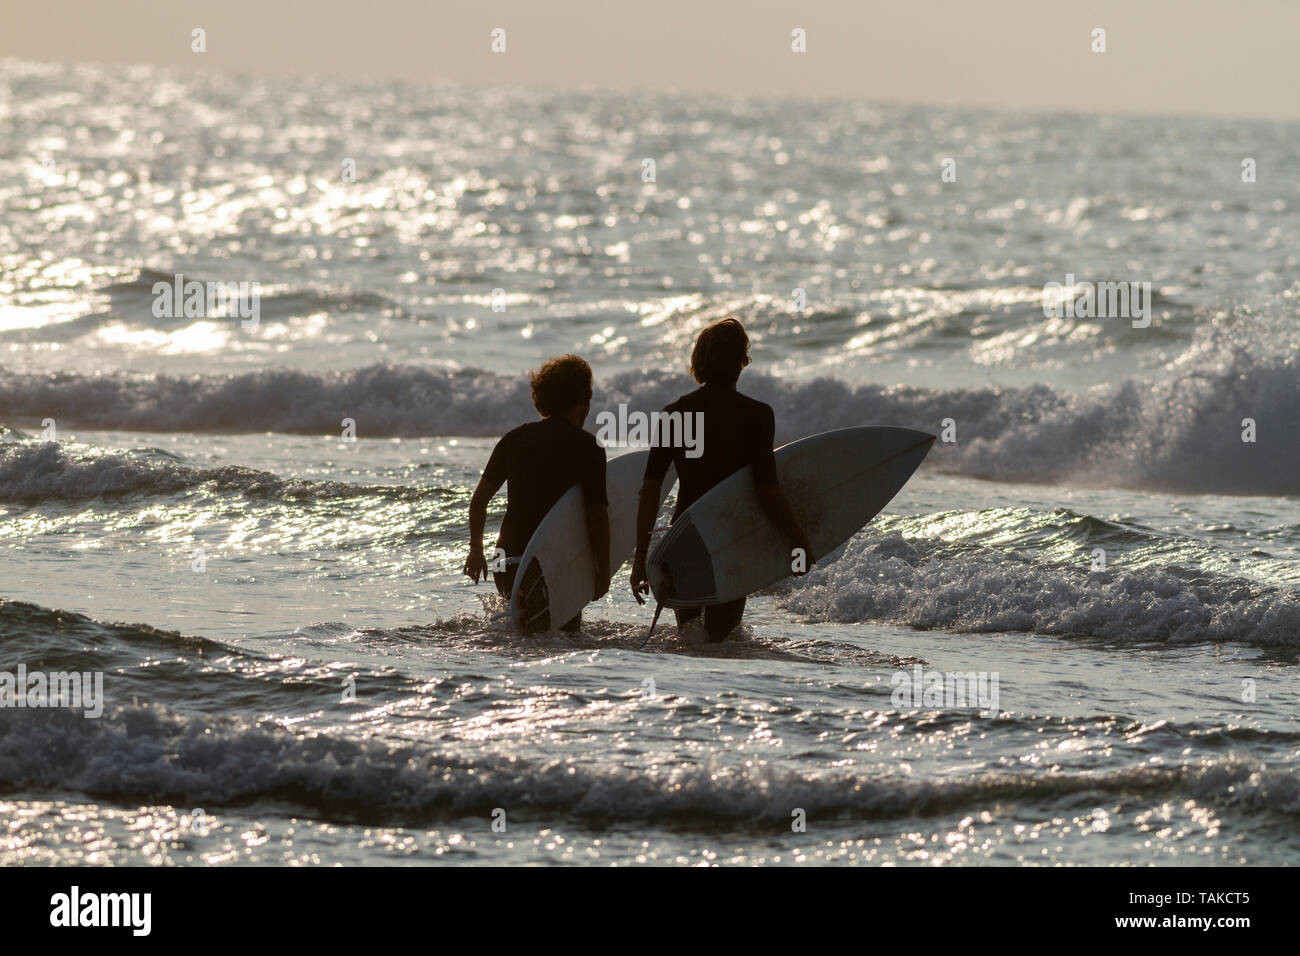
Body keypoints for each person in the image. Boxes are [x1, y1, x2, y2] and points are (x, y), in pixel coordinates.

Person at [630, 319, 814, 641]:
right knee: (722, 640)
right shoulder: (756, 415)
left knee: (688, 637)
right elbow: (766, 490)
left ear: (700, 360)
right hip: (731, 537)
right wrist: (797, 540)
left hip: (685, 538)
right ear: (742, 361)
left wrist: (642, 559)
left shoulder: (676, 414)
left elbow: (650, 490)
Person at [464, 354, 610, 631]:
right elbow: (596, 516)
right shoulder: (587, 448)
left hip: (505, 563)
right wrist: (602, 571)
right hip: (553, 560)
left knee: (524, 629)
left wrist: (476, 551)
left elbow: (479, 501)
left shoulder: (514, 439)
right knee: (562, 636)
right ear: (584, 400)